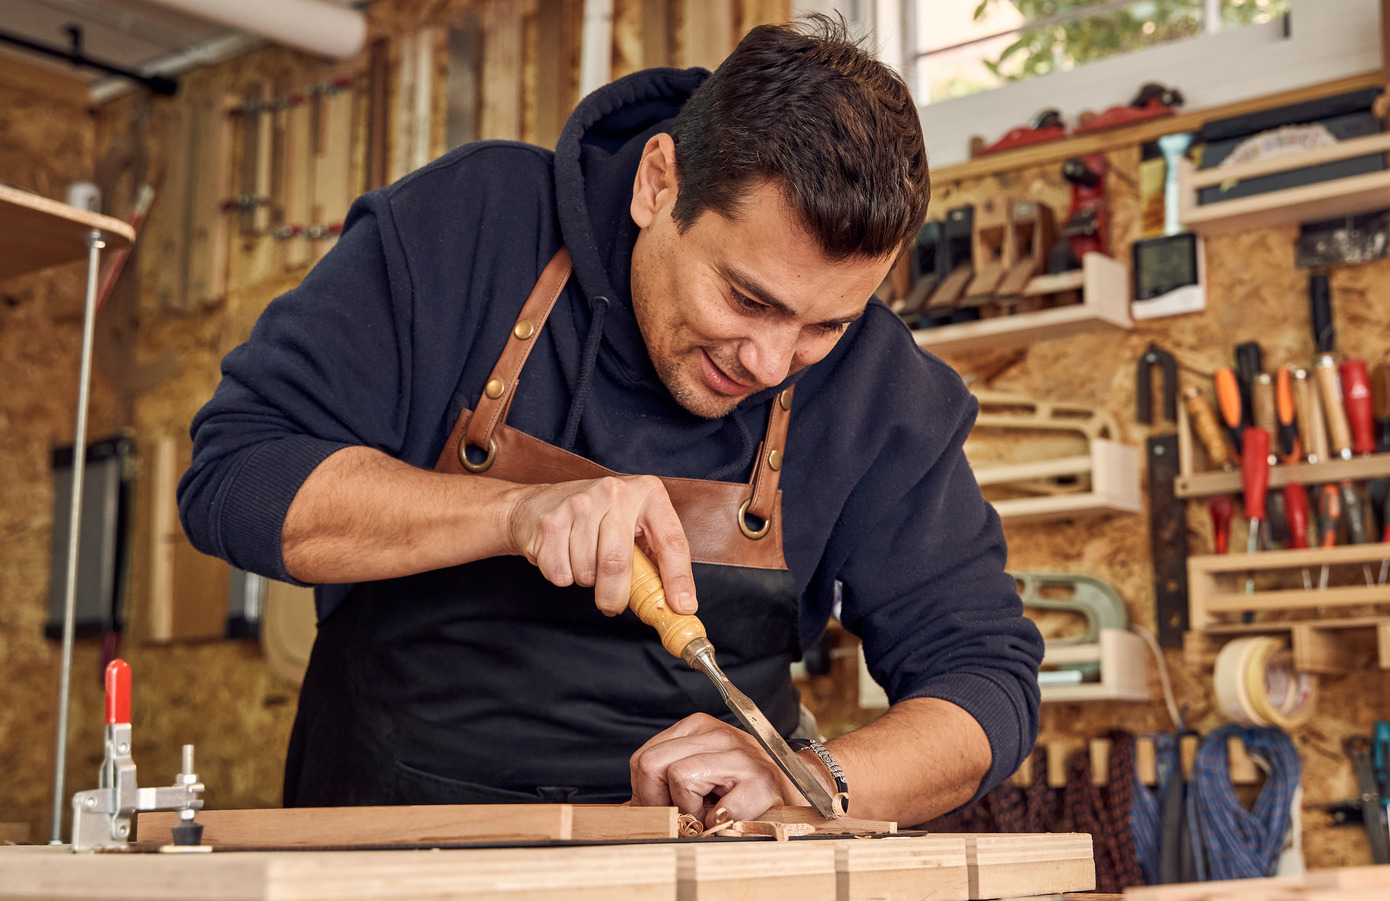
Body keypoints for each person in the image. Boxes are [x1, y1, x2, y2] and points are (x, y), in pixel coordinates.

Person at [179, 16, 1043, 826]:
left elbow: (986, 681)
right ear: (657, 184)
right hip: (397, 836)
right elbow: (238, 476)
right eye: (746, 298)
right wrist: (512, 512)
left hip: (699, 864)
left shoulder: (879, 390)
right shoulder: (468, 228)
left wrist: (806, 775)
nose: (771, 362)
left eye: (826, 324)